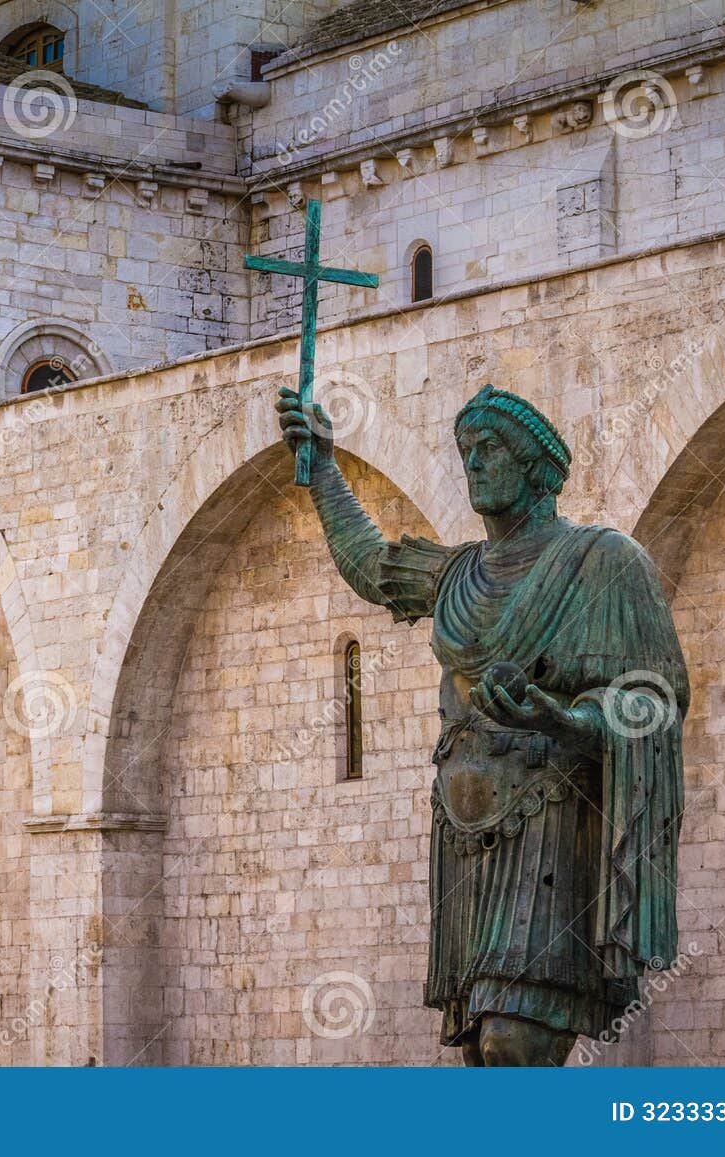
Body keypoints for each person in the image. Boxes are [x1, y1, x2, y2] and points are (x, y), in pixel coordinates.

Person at [277, 383, 690, 1065]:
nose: (475, 463)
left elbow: (654, 699)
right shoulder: (458, 574)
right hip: (467, 843)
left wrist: (562, 715)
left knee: (513, 1042)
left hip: (550, 831)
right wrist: (322, 466)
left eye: (491, 448)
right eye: (466, 450)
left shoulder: (603, 562)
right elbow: (372, 567)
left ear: (536, 467)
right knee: (484, 1050)